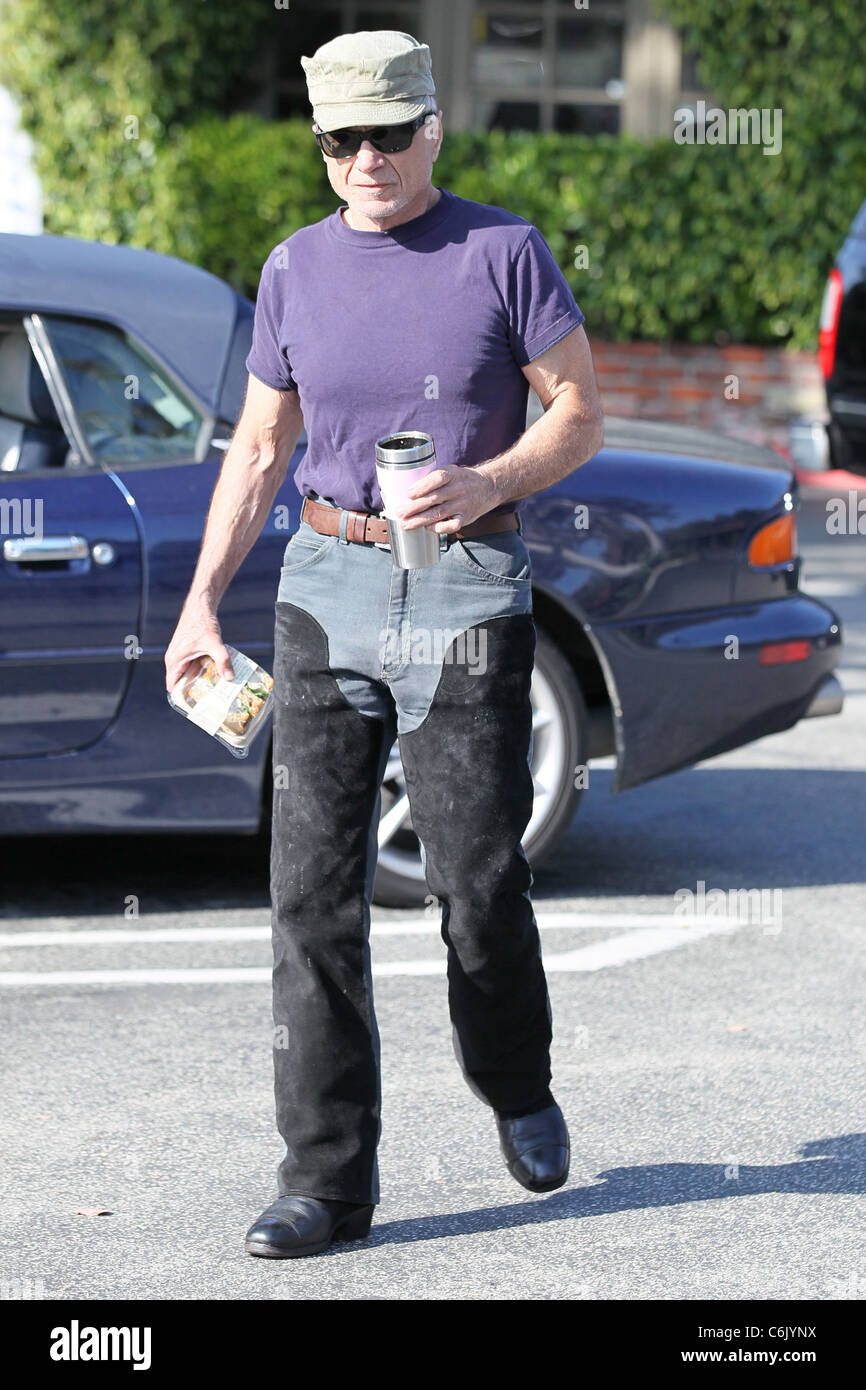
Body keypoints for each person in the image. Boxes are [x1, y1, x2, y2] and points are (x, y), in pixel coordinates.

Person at [164, 29, 604, 1260]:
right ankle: (325, 1181)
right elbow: (256, 453)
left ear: (432, 129)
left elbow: (578, 410)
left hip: (463, 589)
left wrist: (486, 481)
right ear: (320, 145)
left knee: (474, 880)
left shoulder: (500, 252)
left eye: (387, 134)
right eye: (340, 139)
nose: (367, 159)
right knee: (307, 896)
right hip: (322, 585)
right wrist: (201, 604)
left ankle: (515, 1081)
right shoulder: (293, 270)